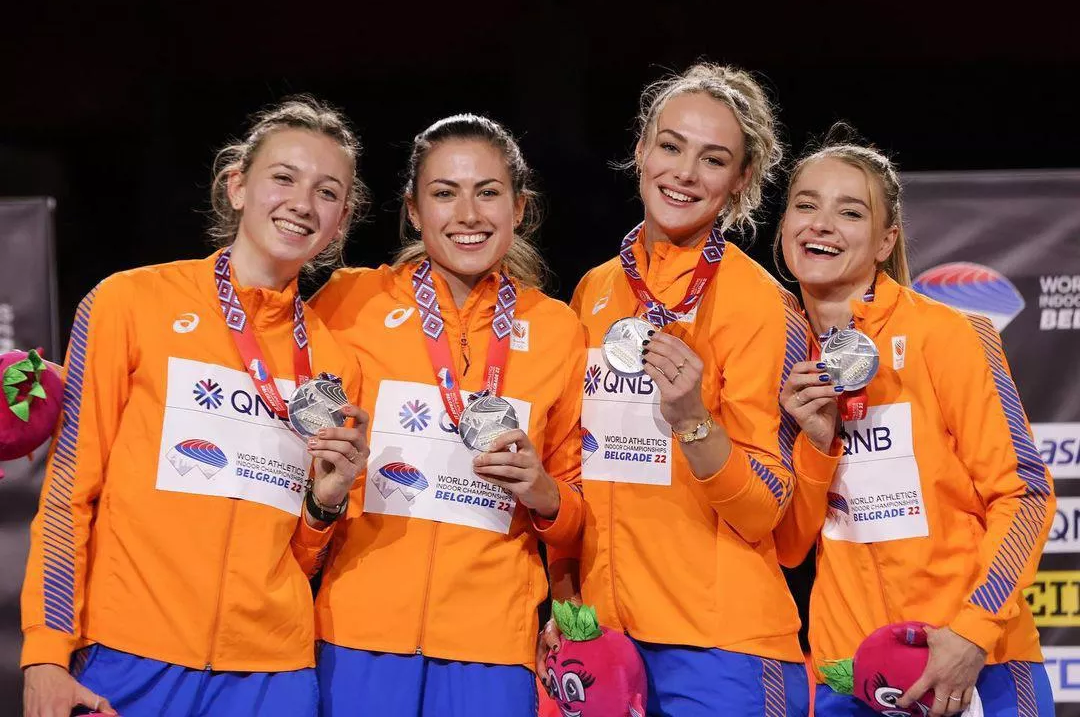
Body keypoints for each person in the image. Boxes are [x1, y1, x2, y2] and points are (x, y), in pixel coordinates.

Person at [21, 97, 370, 717]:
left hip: (271, 676)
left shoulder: (336, 362)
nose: (301, 203)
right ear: (236, 186)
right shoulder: (128, 304)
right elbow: (68, 491)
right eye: (283, 178)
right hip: (129, 658)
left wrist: (325, 503)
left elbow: (303, 550)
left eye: (327, 191)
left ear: (340, 222)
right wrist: (46, 656)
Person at [544, 63, 812, 716]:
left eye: (713, 159)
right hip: (605, 638)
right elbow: (575, 466)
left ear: (742, 180)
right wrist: (568, 594)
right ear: (641, 149)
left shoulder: (763, 306)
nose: (685, 173)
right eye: (670, 146)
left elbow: (767, 508)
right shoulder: (595, 291)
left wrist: (692, 418)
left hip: (723, 648)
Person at [307, 113, 587, 716]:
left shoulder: (559, 331)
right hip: (355, 634)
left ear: (520, 208)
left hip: (493, 646)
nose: (467, 215)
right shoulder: (347, 304)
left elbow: (575, 515)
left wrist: (546, 495)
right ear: (412, 209)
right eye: (444, 193)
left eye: (488, 193)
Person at [772, 137, 1056, 716]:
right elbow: (790, 544)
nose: (821, 224)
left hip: (976, 665)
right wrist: (818, 445)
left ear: (886, 241)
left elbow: (1023, 494)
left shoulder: (946, 335)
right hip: (847, 675)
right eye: (805, 205)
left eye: (850, 211)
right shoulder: (778, 355)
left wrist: (972, 632)